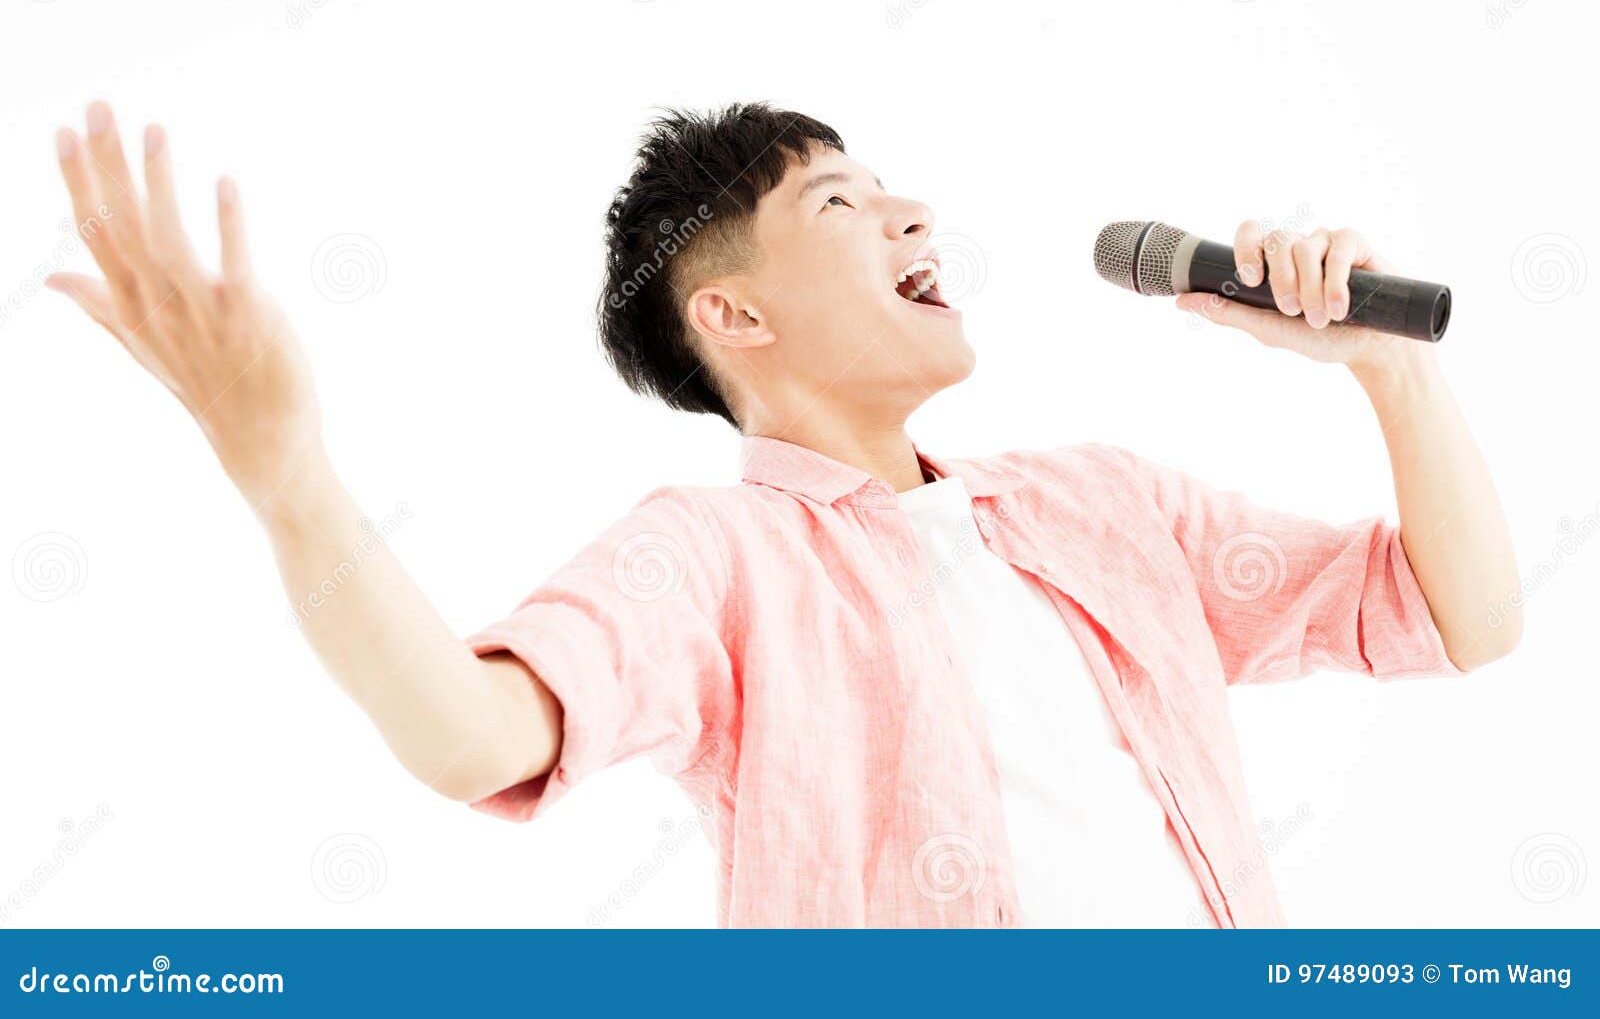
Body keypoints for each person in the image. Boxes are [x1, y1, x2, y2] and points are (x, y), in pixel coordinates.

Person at [45, 101, 1519, 927]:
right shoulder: (714, 558)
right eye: (841, 205)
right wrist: (290, 481)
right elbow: (472, 733)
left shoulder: (1103, 501)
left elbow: (1464, 616)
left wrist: (1387, 369)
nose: (912, 219)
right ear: (731, 311)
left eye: (899, 196)